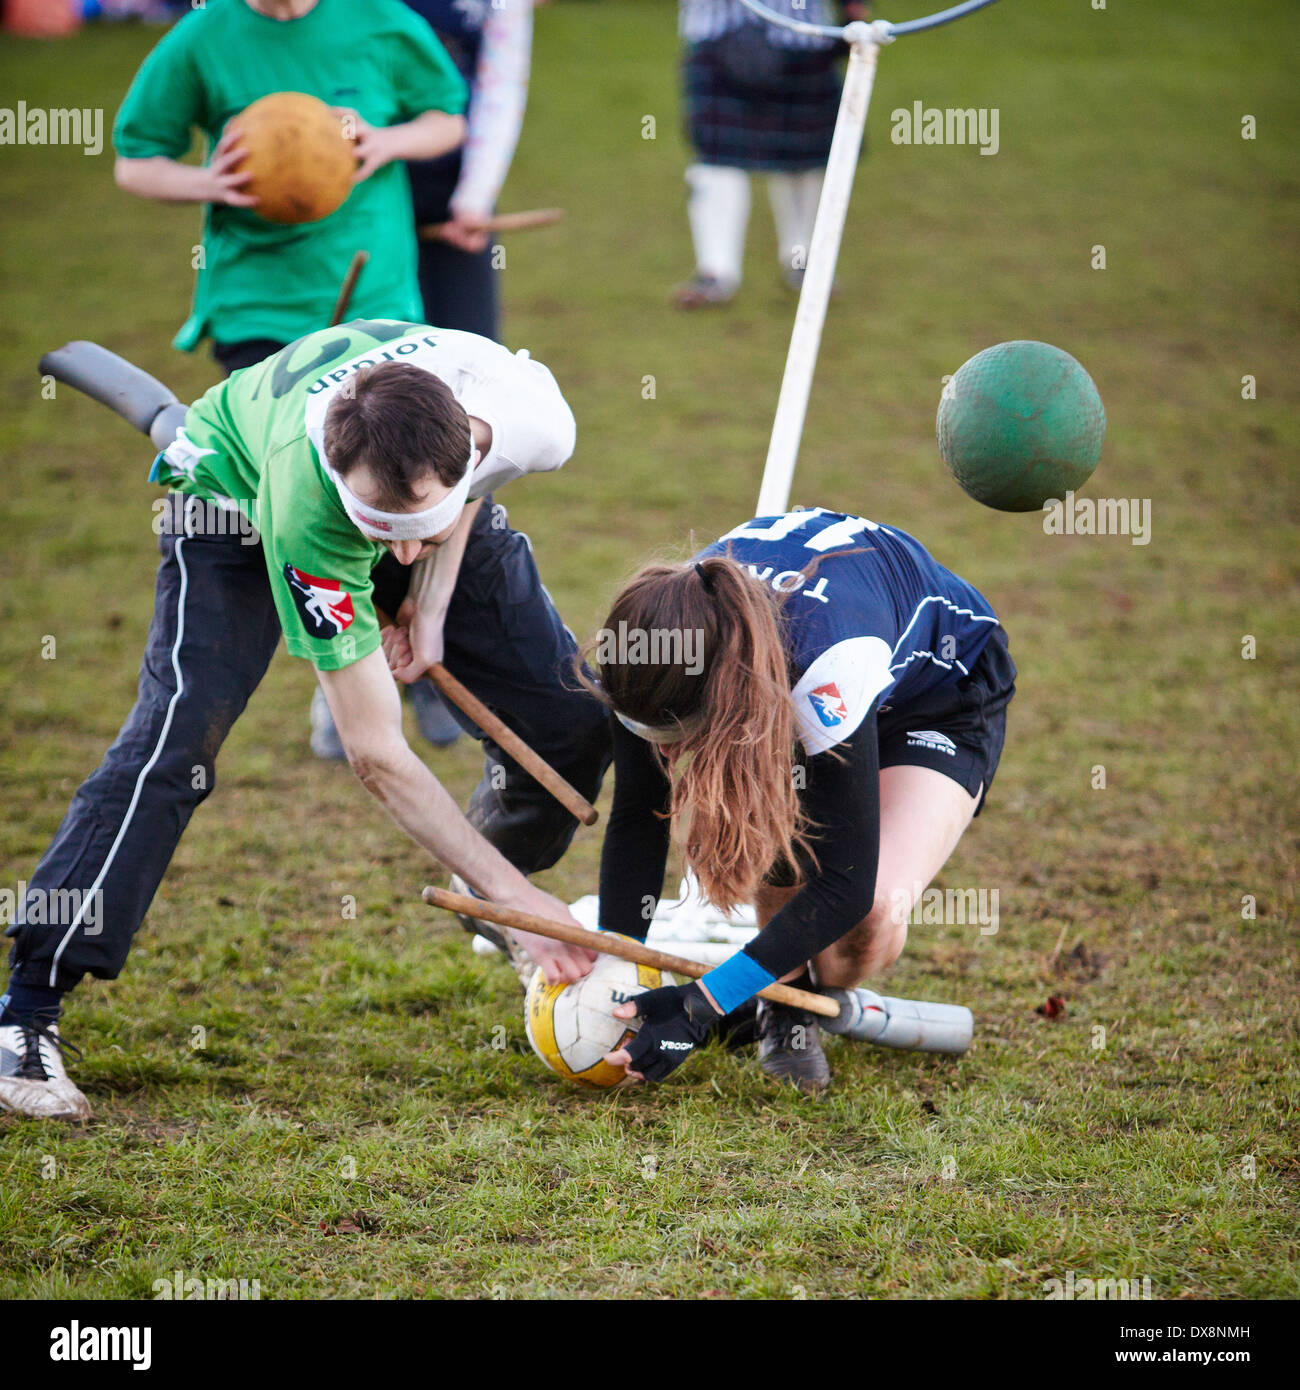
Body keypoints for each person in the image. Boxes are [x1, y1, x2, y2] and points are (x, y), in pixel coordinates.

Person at [0, 321, 611, 1122]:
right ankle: (25, 1010)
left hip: (406, 497)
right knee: (177, 743)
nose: (390, 556)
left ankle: (488, 875)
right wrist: (524, 903)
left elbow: (471, 487)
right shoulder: (308, 509)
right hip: (237, 510)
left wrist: (427, 606)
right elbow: (375, 754)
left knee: (570, 722)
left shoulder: (530, 419)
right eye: (374, 533)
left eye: (412, 531)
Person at [582, 507, 1016, 1092]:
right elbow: (638, 814)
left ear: (727, 694)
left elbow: (846, 884)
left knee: (872, 913)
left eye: (679, 733)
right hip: (795, 671)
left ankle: (798, 997)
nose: (669, 751)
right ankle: (783, 1004)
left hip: (940, 696)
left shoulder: (824, 663)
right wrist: (614, 965)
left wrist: (699, 1005)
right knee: (770, 825)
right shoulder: (645, 645)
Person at [307, 0, 536, 759]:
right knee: (356, 430)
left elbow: (498, 83)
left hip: (454, 208)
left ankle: (432, 656)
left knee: (460, 431)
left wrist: (476, 194)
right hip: (359, 210)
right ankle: (344, 668)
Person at [673, 0, 869, 307]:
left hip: (804, 37)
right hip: (714, 34)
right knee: (714, 156)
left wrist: (852, 7)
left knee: (805, 157)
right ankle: (715, 272)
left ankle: (803, 262)